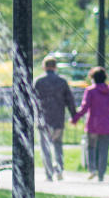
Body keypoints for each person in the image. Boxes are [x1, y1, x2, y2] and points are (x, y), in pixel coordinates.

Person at [33, 53, 79, 182]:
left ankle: (49, 174)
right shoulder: (62, 82)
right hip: (58, 118)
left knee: (45, 147)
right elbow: (69, 100)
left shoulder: (38, 82)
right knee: (58, 145)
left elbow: (33, 100)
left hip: (43, 119)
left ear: (44, 67)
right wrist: (74, 115)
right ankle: (59, 170)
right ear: (55, 67)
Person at [78, 66, 109, 181]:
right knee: (104, 150)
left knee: (91, 147)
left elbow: (85, 107)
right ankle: (101, 174)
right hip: (107, 124)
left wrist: (75, 118)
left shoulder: (90, 91)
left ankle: (92, 169)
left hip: (93, 124)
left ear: (93, 78)